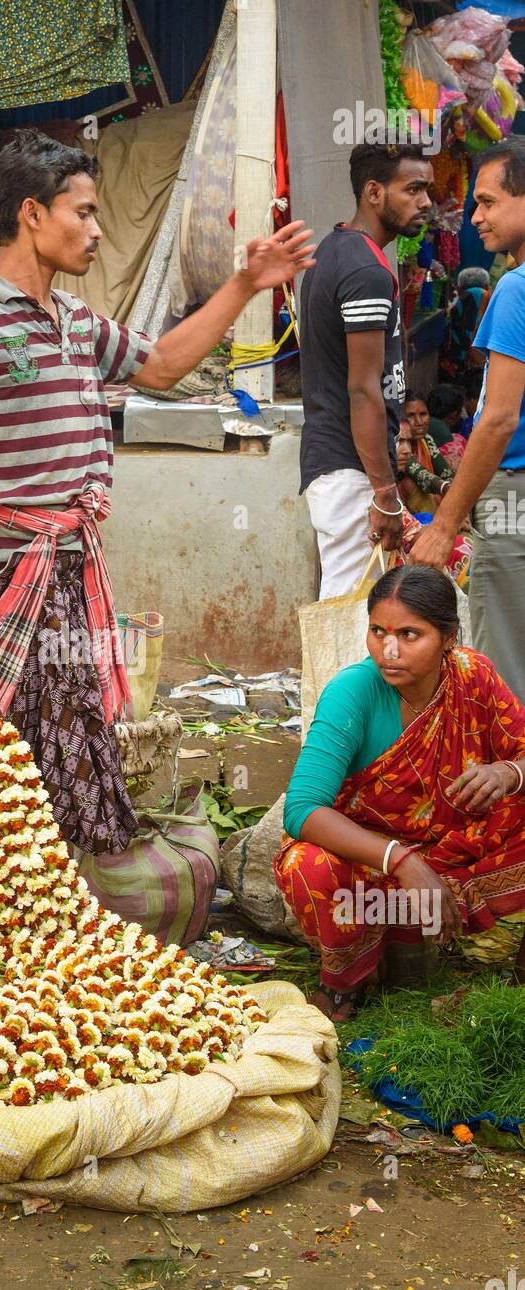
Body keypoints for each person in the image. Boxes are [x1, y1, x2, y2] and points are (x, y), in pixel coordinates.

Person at [0, 129, 314, 856]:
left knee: (72, 754)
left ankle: (66, 919)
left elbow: (160, 365)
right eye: (84, 213)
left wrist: (246, 283)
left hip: (69, 579)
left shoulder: (78, 325)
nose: (98, 231)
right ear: (32, 214)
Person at [274, 565, 525, 1019]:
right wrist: (401, 859)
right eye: (377, 632)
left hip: (457, 848)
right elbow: (303, 809)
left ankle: (519, 982)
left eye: (410, 635)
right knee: (306, 864)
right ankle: (343, 983)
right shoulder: (352, 692)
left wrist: (508, 772)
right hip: (372, 862)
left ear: (448, 637)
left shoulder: (472, 676)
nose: (389, 650)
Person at [410, 138, 525, 701]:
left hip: (513, 506)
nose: (474, 217)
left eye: (487, 201)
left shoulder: (514, 289)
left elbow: (498, 419)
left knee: (505, 683)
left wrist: (445, 523)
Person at [298, 143, 432, 599]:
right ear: (374, 192)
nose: (426, 202)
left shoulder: (335, 250)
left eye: (426, 190)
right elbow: (362, 389)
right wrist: (383, 492)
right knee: (351, 613)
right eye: (413, 189)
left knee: (354, 608)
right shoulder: (365, 269)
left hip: (341, 465)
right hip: (350, 469)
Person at [396, 391, 455, 513]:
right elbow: (420, 474)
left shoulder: (426, 440)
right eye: (410, 416)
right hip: (401, 503)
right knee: (409, 484)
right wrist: (446, 488)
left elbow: (446, 473)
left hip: (433, 502)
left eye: (423, 414)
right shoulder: (397, 444)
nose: (419, 421)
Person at [442, 266, 490, 379]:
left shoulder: (458, 305)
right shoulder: (484, 296)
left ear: (459, 288)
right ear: (486, 286)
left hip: (460, 364)